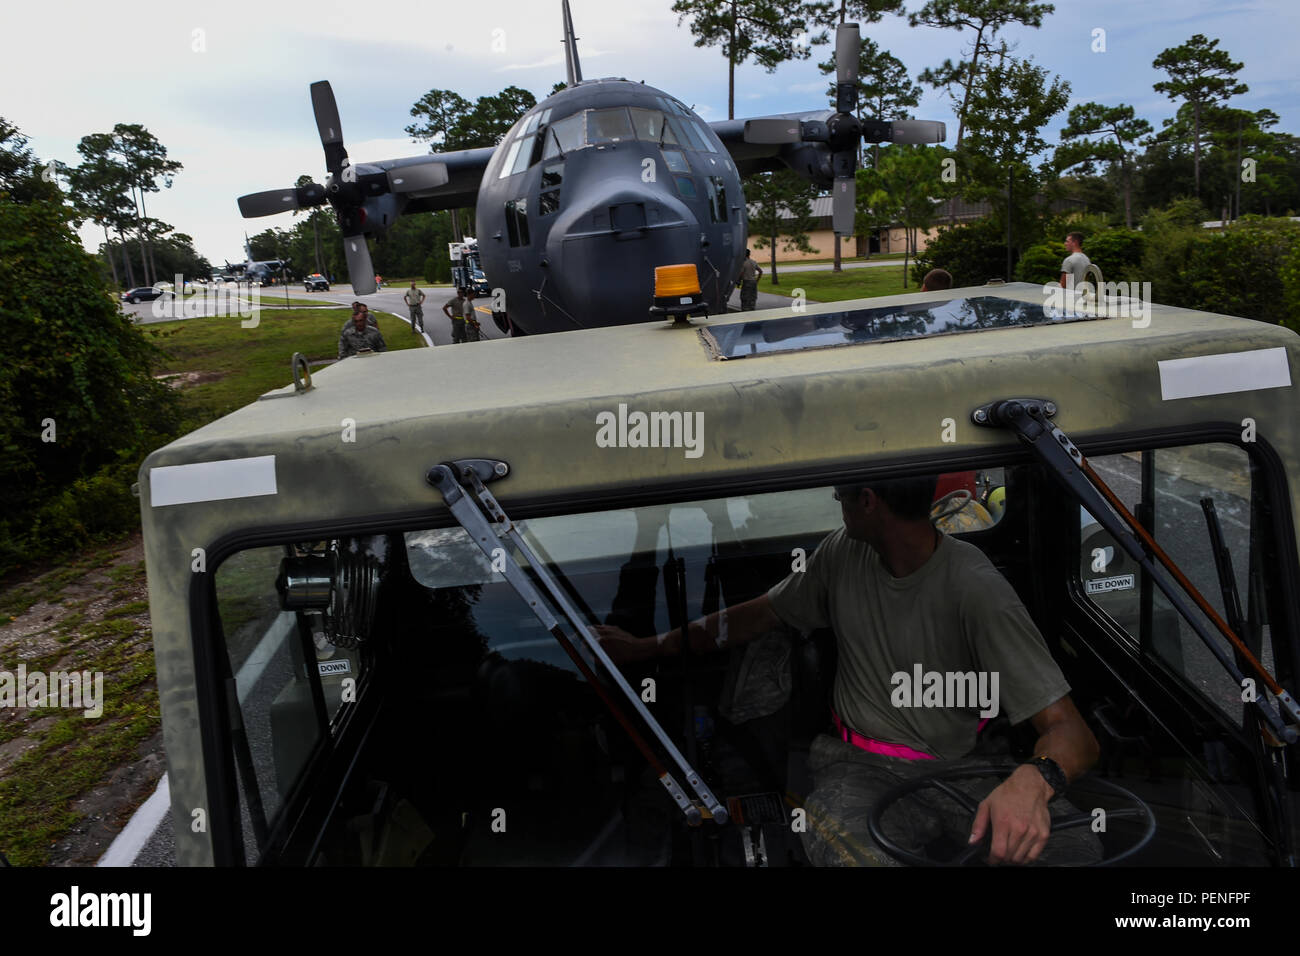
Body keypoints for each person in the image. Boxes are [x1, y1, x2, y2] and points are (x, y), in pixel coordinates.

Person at [595, 474, 1100, 867]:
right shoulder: (844, 553)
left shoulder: (977, 591)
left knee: (1075, 849)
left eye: (840, 495)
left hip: (960, 769)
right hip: (857, 769)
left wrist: (1033, 783)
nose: (836, 504)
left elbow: (1073, 735)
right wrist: (647, 648)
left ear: (868, 502)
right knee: (854, 855)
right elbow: (759, 614)